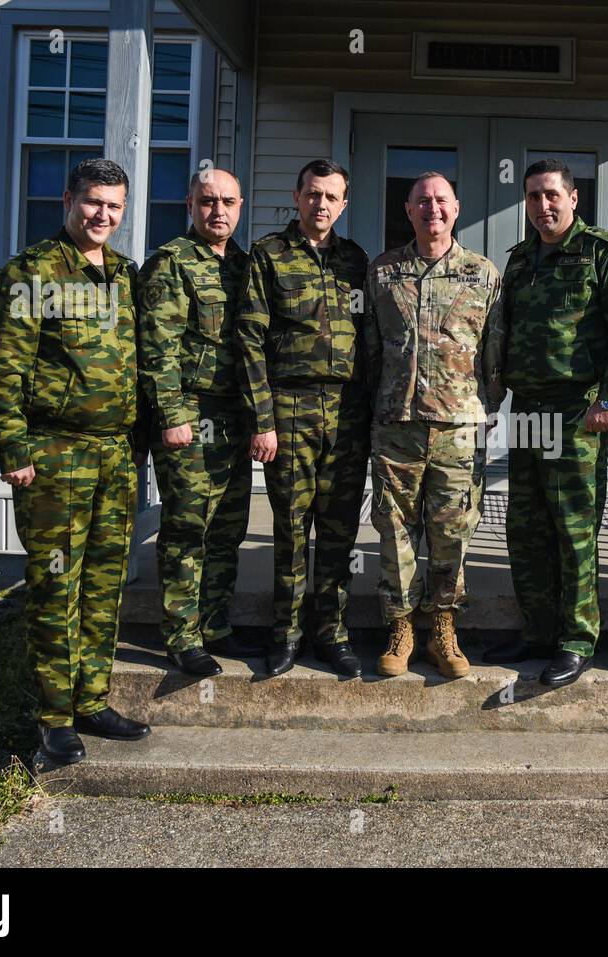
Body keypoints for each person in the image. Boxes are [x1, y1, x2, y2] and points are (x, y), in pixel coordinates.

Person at [0, 157, 151, 765]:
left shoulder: (125, 276)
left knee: (105, 585)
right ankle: (54, 719)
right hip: (54, 455)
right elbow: (6, 370)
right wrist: (13, 449)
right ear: (69, 201)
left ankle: (92, 700)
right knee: (57, 584)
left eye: (114, 206)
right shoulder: (34, 272)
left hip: (113, 456)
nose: (102, 215)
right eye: (93, 203)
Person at [484, 159, 608, 687]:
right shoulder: (519, 260)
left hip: (578, 412)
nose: (542, 206)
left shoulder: (601, 252)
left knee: (575, 529)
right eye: (533, 197)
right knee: (526, 527)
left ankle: (577, 639)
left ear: (573, 198)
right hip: (528, 410)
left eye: (551, 195)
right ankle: (537, 630)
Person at [363, 172, 506, 678]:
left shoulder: (482, 274)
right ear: (408, 210)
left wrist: (484, 409)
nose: (432, 210)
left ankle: (443, 627)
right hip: (395, 425)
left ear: (457, 207)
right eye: (422, 202)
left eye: (441, 201)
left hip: (458, 429)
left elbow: (495, 353)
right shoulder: (383, 273)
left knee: (452, 534)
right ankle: (400, 627)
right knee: (394, 531)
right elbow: (371, 351)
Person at [237, 159, 371, 678]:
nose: (321, 204)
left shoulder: (356, 261)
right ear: (297, 197)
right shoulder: (268, 256)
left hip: (347, 415)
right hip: (289, 409)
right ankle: (285, 632)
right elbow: (249, 341)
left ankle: (332, 633)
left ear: (343, 204)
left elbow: (373, 339)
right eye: (313, 194)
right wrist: (262, 420)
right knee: (291, 530)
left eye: (331, 196)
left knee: (338, 532)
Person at [138, 167, 252, 677]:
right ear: (190, 204)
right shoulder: (171, 263)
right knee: (188, 525)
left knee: (228, 527)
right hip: (190, 413)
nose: (218, 211)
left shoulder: (246, 265)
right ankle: (182, 635)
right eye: (208, 201)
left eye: (228, 201)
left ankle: (216, 624)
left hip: (234, 417)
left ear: (241, 205)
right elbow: (156, 347)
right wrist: (171, 415)